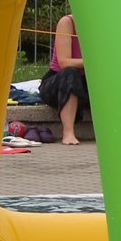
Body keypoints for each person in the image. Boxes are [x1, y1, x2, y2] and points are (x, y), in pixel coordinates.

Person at [38, 12, 89, 146]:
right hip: (59, 80)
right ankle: (68, 132)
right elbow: (64, 62)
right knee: (71, 73)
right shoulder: (67, 23)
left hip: (87, 82)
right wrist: (93, 62)